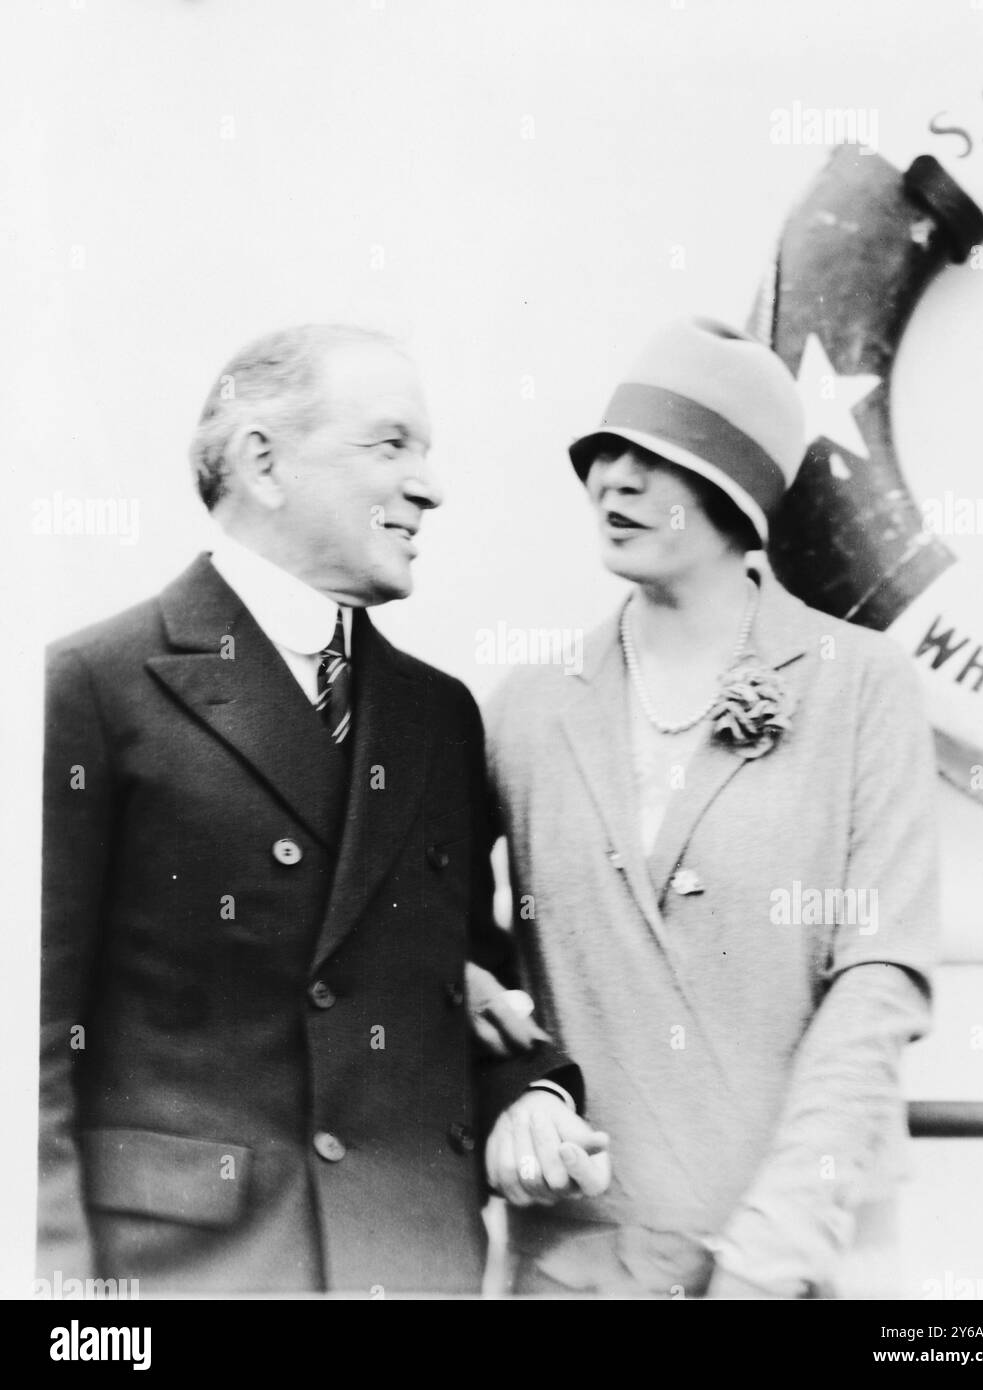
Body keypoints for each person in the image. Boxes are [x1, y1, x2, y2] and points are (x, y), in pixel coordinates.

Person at [38, 323, 608, 1296]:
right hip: (196, 1272)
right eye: (390, 444)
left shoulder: (434, 716)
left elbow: (460, 986)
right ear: (264, 461)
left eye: (425, 452)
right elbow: (32, 1047)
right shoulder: (93, 687)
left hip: (408, 1258)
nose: (429, 486)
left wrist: (528, 1095)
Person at [486, 317, 939, 1298]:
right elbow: (442, 947)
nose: (613, 480)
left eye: (653, 457)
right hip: (572, 1263)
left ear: (736, 494)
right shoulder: (527, 704)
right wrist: (513, 1096)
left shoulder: (861, 687)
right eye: (603, 453)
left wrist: (769, 1253)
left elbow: (879, 978)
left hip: (791, 1257)